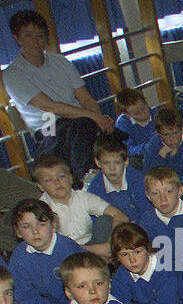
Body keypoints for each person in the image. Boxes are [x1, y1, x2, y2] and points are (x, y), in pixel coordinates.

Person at [3, 10, 119, 180]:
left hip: (80, 122)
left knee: (103, 129)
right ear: (17, 38)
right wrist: (94, 117)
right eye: (28, 36)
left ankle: (101, 176)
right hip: (47, 126)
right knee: (82, 125)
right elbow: (50, 106)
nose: (36, 41)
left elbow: (85, 98)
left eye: (40, 35)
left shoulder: (60, 61)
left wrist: (98, 117)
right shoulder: (13, 73)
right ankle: (86, 177)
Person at [7, 198, 80, 304]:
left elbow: (82, 286)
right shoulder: (19, 256)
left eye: (42, 224)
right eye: (26, 226)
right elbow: (21, 293)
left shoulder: (68, 249)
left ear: (53, 225)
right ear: (18, 232)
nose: (35, 231)